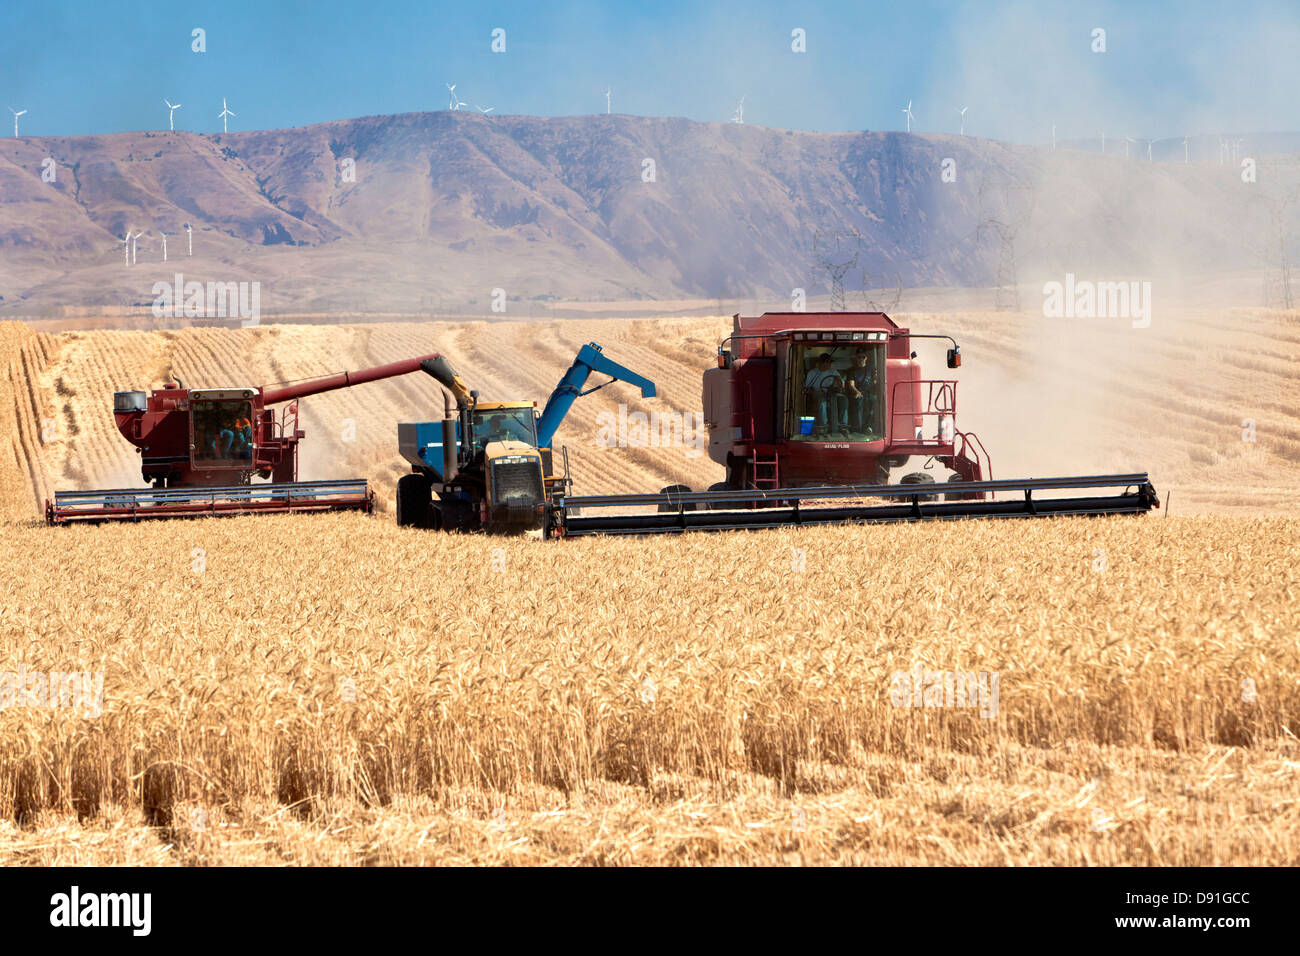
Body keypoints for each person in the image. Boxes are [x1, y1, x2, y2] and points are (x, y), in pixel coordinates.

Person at [803, 352, 848, 436]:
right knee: (822, 402)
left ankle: (843, 425)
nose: (828, 365)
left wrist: (839, 382)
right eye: (826, 362)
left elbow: (841, 385)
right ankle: (823, 427)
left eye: (829, 363)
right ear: (820, 363)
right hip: (818, 393)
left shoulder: (834, 372)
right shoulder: (812, 373)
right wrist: (811, 392)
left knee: (843, 399)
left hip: (832, 393)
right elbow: (806, 388)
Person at [846, 347, 876, 437]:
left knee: (875, 401)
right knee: (859, 402)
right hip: (857, 393)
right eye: (859, 357)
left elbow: (876, 379)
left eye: (863, 357)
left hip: (869, 393)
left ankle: (868, 427)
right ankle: (859, 428)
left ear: (866, 358)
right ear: (856, 358)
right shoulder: (851, 370)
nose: (861, 359)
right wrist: (857, 392)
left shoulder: (871, 369)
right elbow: (851, 385)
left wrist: (876, 381)